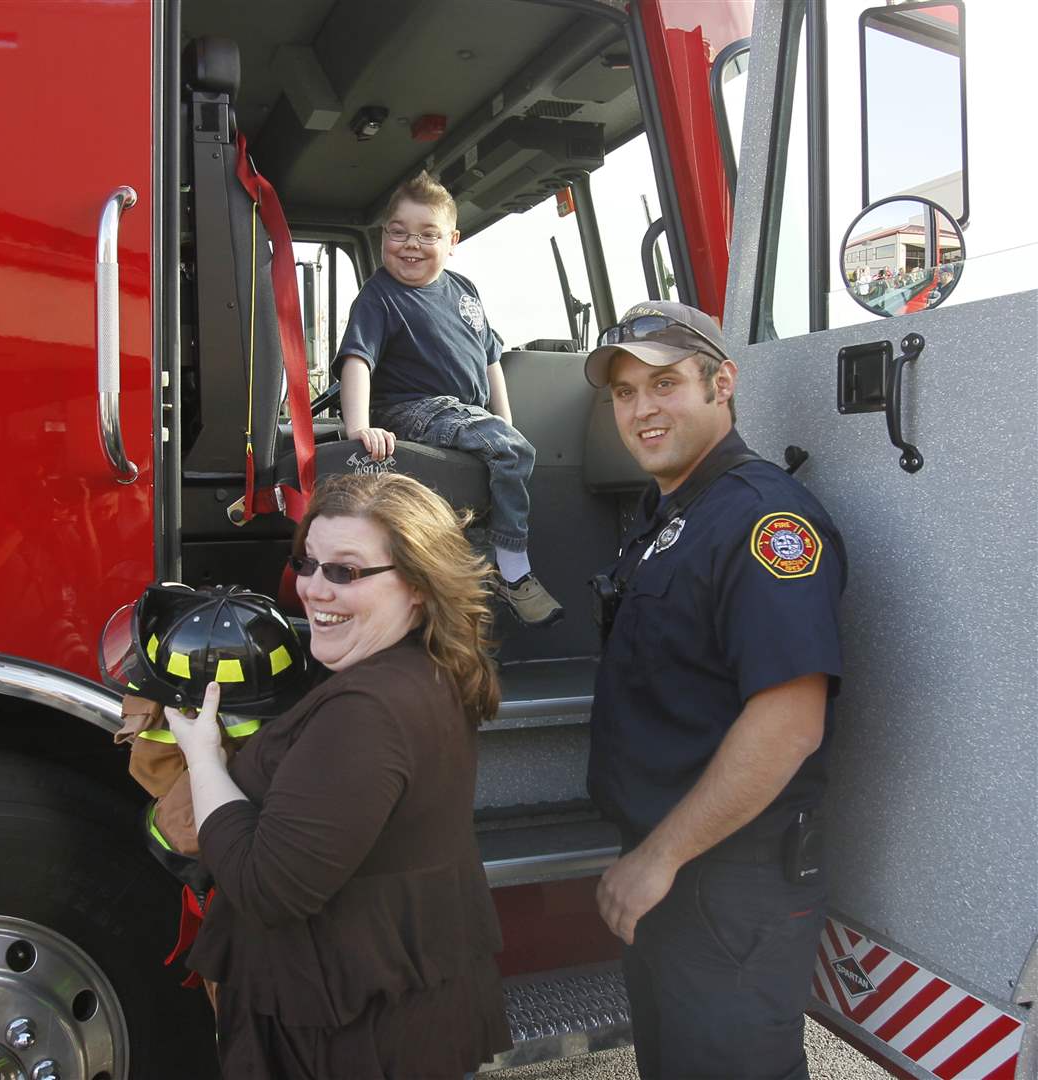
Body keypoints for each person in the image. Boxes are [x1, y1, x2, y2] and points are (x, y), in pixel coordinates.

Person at [165, 473, 513, 1080]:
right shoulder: (422, 668)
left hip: (345, 1038)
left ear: (420, 586)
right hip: (384, 1011)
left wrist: (201, 758)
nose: (313, 590)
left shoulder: (368, 711)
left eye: (346, 572)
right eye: (308, 563)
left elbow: (268, 887)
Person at [582, 301, 846, 1080]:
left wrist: (660, 856)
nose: (641, 410)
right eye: (625, 393)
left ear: (722, 383)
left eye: (663, 384)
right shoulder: (669, 513)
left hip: (731, 883)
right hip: (676, 873)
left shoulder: (765, 522)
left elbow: (789, 723)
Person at [332, 170, 562, 628]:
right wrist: (359, 427)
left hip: (464, 414)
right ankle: (515, 569)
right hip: (411, 409)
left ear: (452, 240)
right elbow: (356, 361)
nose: (410, 244)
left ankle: (479, 569)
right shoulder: (380, 296)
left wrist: (505, 423)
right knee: (511, 449)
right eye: (398, 233)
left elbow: (490, 360)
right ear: (384, 236)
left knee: (506, 451)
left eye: (427, 235)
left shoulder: (465, 291)